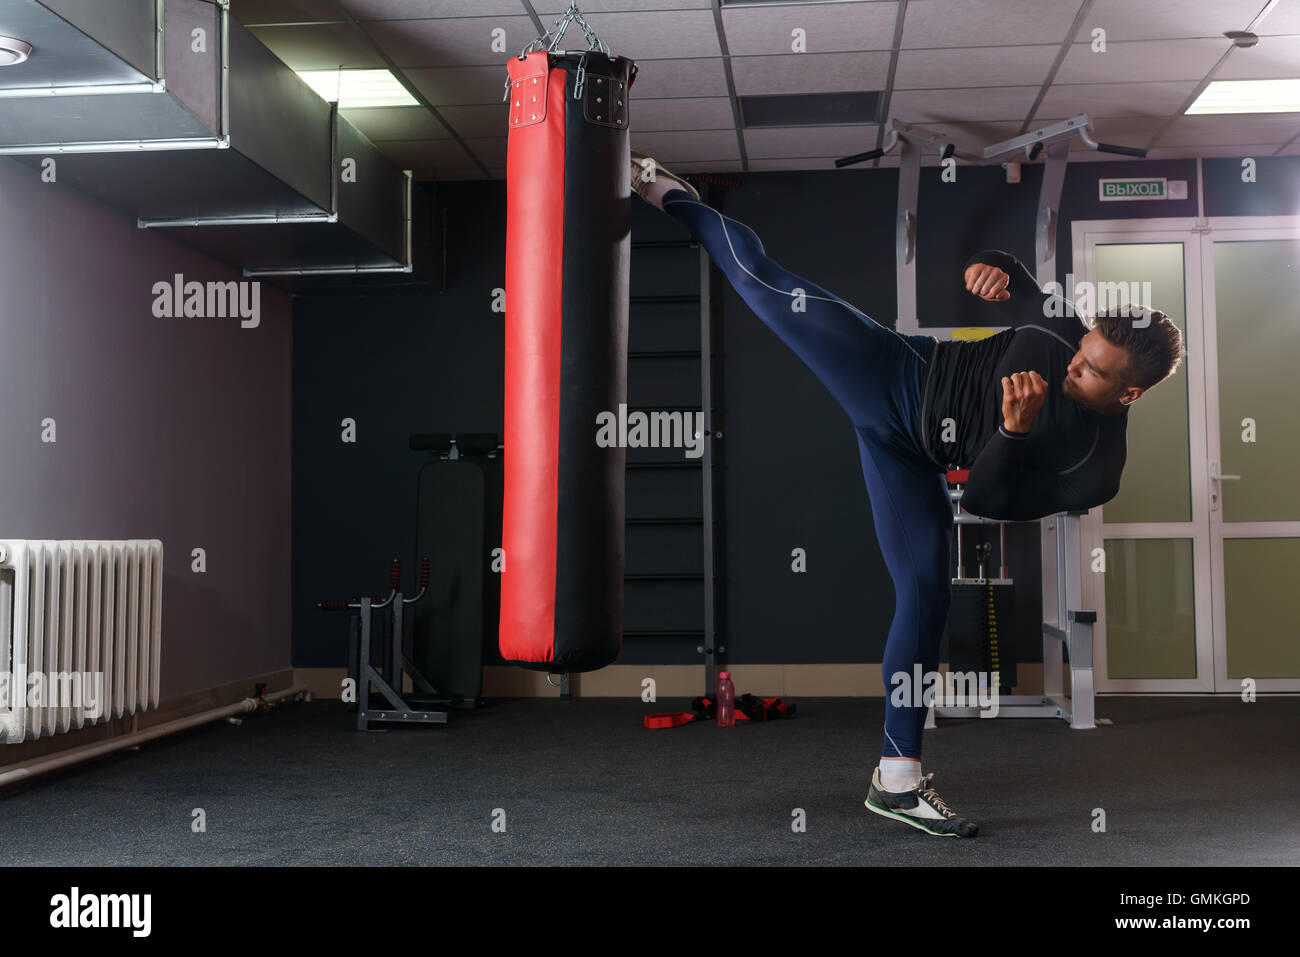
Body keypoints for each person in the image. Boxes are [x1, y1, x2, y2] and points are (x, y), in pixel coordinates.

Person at [630, 150, 1186, 837]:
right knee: (765, 283)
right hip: (893, 373)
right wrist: (988, 266)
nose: (1075, 363)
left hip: (911, 457)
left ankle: (896, 780)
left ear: (1130, 394)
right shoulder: (1063, 329)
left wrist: (1011, 432)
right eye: (1083, 349)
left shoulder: (1095, 466)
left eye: (1094, 371)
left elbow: (986, 502)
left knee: (925, 594)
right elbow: (1010, 274)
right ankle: (666, 192)